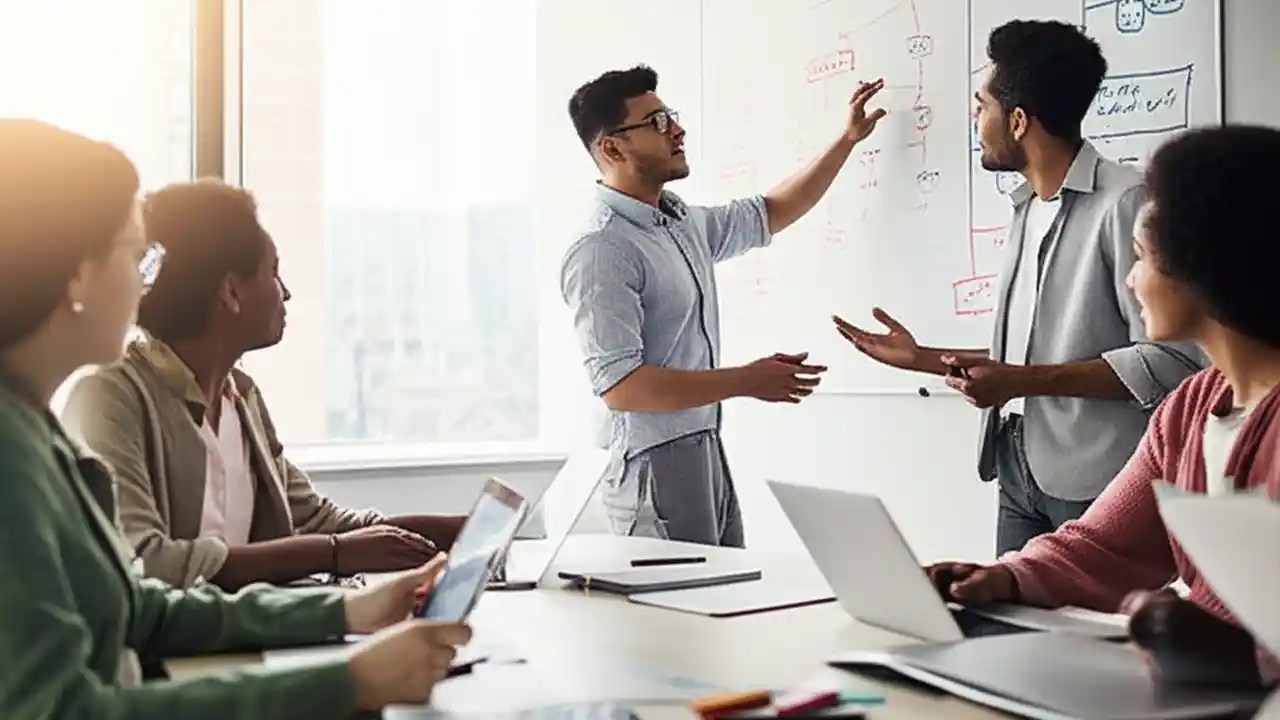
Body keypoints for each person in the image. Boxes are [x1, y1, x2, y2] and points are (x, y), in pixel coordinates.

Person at [0, 118, 471, 717]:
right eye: (136, 256)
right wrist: (349, 684)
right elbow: (60, 711)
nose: (148, 283)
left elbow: (144, 611)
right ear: (75, 272)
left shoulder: (33, 429)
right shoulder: (13, 454)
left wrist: (348, 611)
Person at [925, 125, 1280, 688]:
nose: (1132, 280)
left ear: (1202, 266)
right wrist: (1004, 578)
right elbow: (1103, 546)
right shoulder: (1188, 409)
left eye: (1139, 258)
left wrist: (1246, 659)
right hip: (1199, 689)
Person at [833, 20, 1201, 554]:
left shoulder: (1126, 204)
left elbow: (1172, 361)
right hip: (1016, 466)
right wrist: (924, 358)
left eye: (981, 106)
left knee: (1089, 638)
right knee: (1008, 624)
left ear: (1020, 120)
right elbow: (1029, 359)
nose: (976, 121)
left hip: (1099, 481)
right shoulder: (1026, 208)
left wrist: (1022, 381)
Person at [60, 179, 466, 590]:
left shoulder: (242, 397)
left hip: (246, 640)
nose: (285, 293)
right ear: (230, 292)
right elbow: (145, 561)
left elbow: (325, 524)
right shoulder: (111, 397)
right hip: (168, 653)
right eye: (273, 272)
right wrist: (333, 552)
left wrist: (467, 531)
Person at [561, 65, 885, 547]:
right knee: (678, 616)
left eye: (670, 116)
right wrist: (746, 381)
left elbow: (772, 211)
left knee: (724, 603)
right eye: (657, 122)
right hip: (655, 458)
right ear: (612, 147)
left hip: (705, 446)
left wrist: (847, 140)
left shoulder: (678, 222)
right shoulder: (602, 249)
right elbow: (621, 387)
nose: (678, 130)